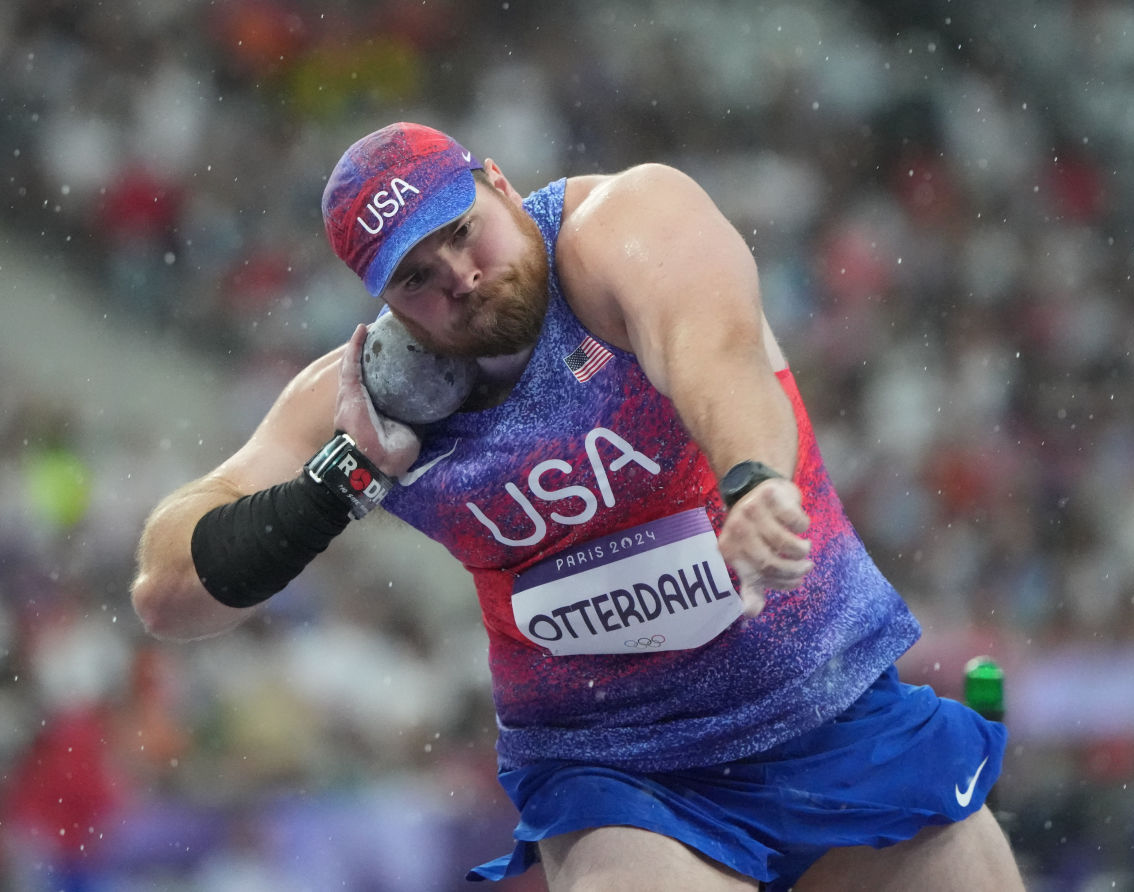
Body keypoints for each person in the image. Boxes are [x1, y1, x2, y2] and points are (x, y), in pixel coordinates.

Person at [131, 121, 1024, 891]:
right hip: (616, 770)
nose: (461, 279)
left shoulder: (627, 229)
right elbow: (166, 592)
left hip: (832, 706)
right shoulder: (365, 399)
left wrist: (754, 482)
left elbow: (713, 355)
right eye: (416, 279)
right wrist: (342, 481)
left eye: (462, 233)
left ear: (498, 183)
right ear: (385, 305)